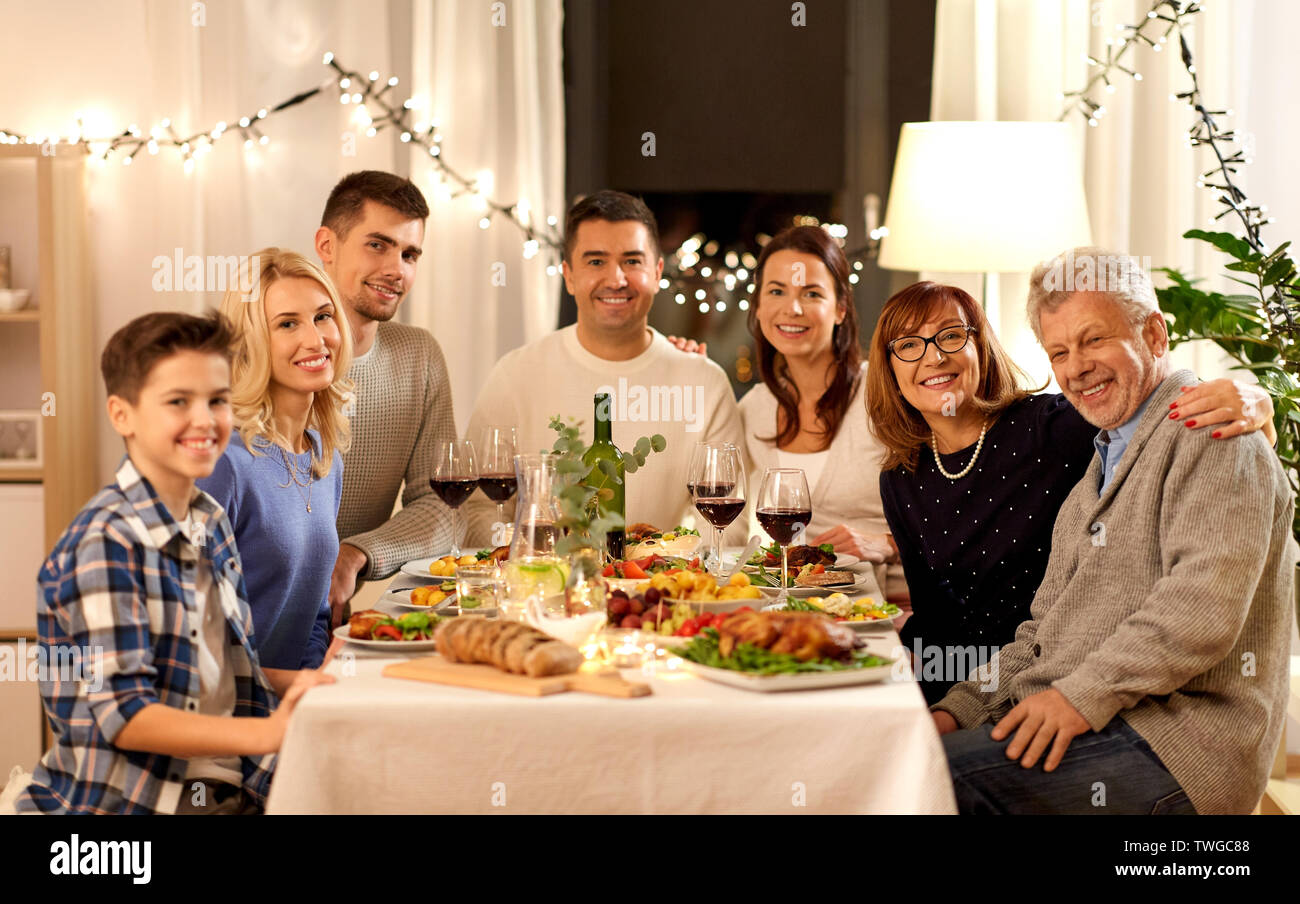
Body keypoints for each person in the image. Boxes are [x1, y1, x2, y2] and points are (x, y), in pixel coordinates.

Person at [931, 248, 1293, 814]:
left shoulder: (1213, 433)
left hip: (1181, 748)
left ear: (1153, 334)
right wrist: (956, 711)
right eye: (1059, 352)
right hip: (1103, 717)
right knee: (913, 757)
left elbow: (1199, 613)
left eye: (1094, 339)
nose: (1075, 367)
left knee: (931, 787)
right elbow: (1039, 636)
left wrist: (1078, 696)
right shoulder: (1094, 478)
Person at [866, 277, 1273, 704]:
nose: (933, 357)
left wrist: (1258, 402)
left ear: (981, 348)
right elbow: (931, 613)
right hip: (957, 686)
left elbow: (1169, 413)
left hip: (1056, 677)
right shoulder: (900, 477)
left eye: (951, 336)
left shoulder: (1054, 429)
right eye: (908, 345)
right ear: (890, 368)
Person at [10, 312, 333, 814]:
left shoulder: (210, 520)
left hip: (225, 785)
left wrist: (310, 682)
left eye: (218, 400)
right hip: (133, 803)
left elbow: (218, 670)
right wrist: (270, 731)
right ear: (122, 415)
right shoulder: (105, 541)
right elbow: (128, 716)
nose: (205, 420)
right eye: (178, 402)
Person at [462, 190, 746, 548]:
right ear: (568, 275)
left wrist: (663, 567)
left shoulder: (704, 382)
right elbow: (478, 510)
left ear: (657, 272)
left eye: (632, 261)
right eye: (596, 262)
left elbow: (726, 528)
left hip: (660, 593)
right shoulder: (515, 374)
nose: (616, 279)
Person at [314, 171, 462, 626]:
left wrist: (357, 553)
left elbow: (444, 505)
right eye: (377, 245)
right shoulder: (265, 354)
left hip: (343, 616)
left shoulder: (419, 355)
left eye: (409, 253)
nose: (397, 269)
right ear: (327, 247)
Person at [199, 249, 353, 672]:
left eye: (323, 316)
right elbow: (197, 649)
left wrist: (312, 682)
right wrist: (295, 693)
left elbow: (315, 617)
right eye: (288, 324)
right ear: (248, 343)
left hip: (289, 709)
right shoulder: (223, 463)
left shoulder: (325, 457)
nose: (316, 339)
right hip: (226, 719)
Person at [734, 225, 902, 600]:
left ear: (840, 308)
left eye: (811, 294)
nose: (792, 308)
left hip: (895, 607)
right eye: (776, 291)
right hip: (803, 605)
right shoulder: (754, 408)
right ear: (759, 305)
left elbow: (956, 515)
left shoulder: (885, 392)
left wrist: (887, 543)